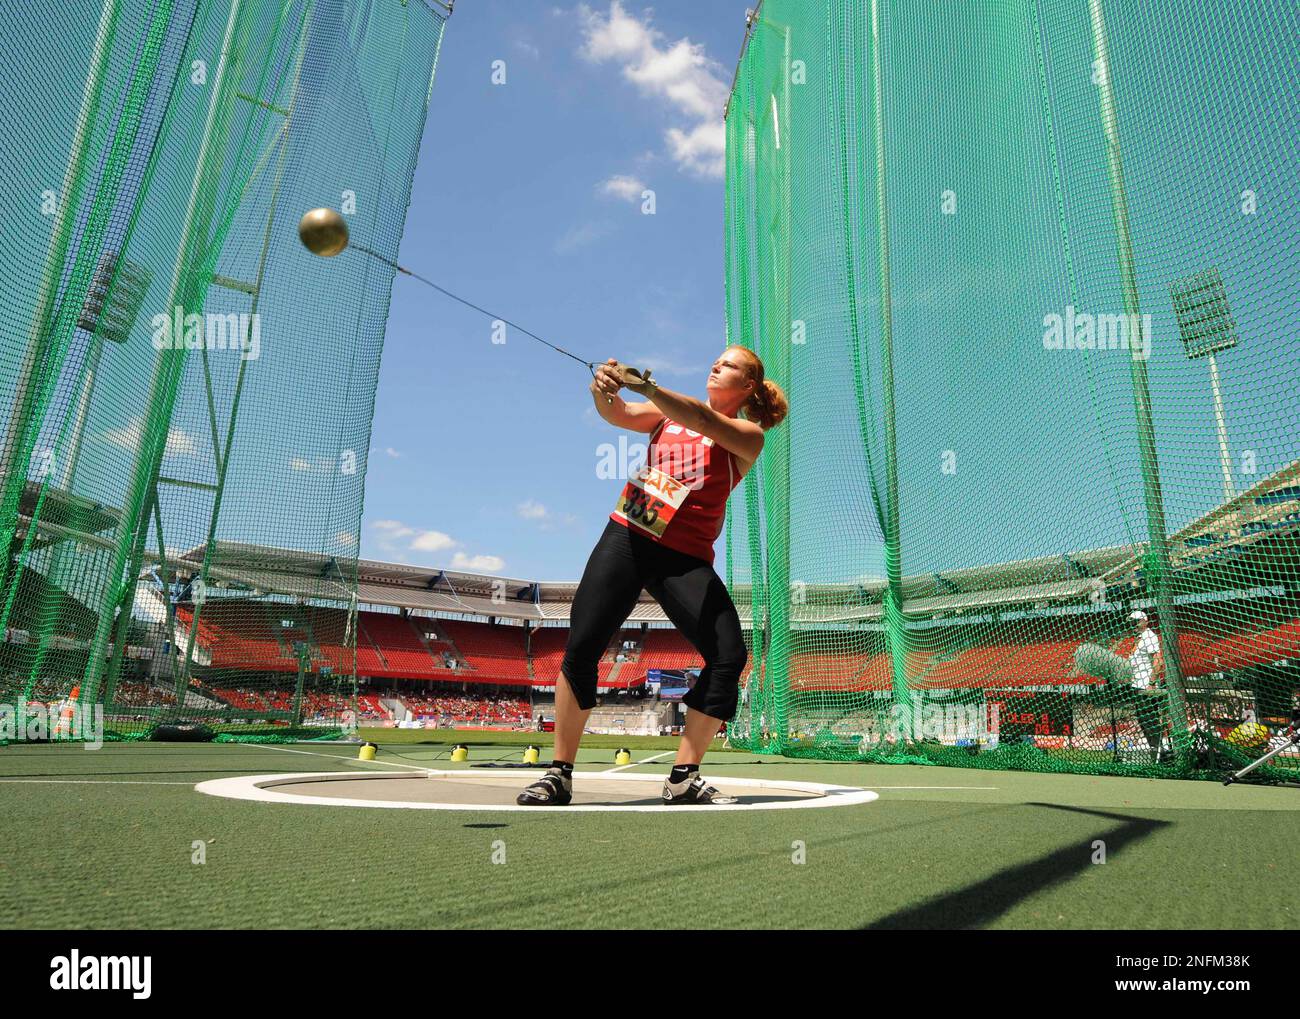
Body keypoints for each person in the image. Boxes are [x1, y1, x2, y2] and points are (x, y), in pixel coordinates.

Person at [517, 347, 788, 805]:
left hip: (684, 559)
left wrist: (650, 388)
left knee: (728, 654)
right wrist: (603, 390)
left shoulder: (746, 435)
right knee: (581, 646)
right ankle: (558, 774)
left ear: (747, 388)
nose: (715, 365)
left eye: (729, 365)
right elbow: (617, 413)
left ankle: (683, 775)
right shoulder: (664, 416)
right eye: (715, 360)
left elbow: (704, 420)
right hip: (629, 536)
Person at [1071, 609, 1166, 758]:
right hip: (1137, 686)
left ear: (1145, 621)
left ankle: (1159, 752)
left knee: (1148, 720)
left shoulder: (1149, 637)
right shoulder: (1139, 638)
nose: (1133, 625)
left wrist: (1152, 682)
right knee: (1143, 720)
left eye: (1136, 621)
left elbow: (1158, 660)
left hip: (1145, 686)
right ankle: (1156, 752)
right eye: (1132, 622)